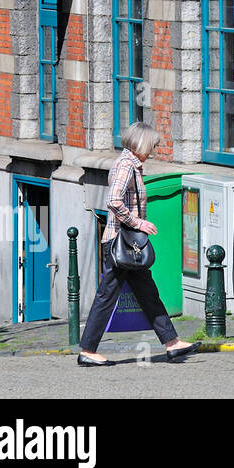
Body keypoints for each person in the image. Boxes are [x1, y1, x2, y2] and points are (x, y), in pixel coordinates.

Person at [77, 122, 198, 366]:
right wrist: (138, 223)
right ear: (142, 143)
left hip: (129, 245)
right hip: (121, 243)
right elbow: (113, 200)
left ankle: (172, 343)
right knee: (107, 296)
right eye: (152, 145)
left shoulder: (131, 165)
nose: (153, 150)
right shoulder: (125, 166)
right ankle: (88, 350)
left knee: (148, 294)